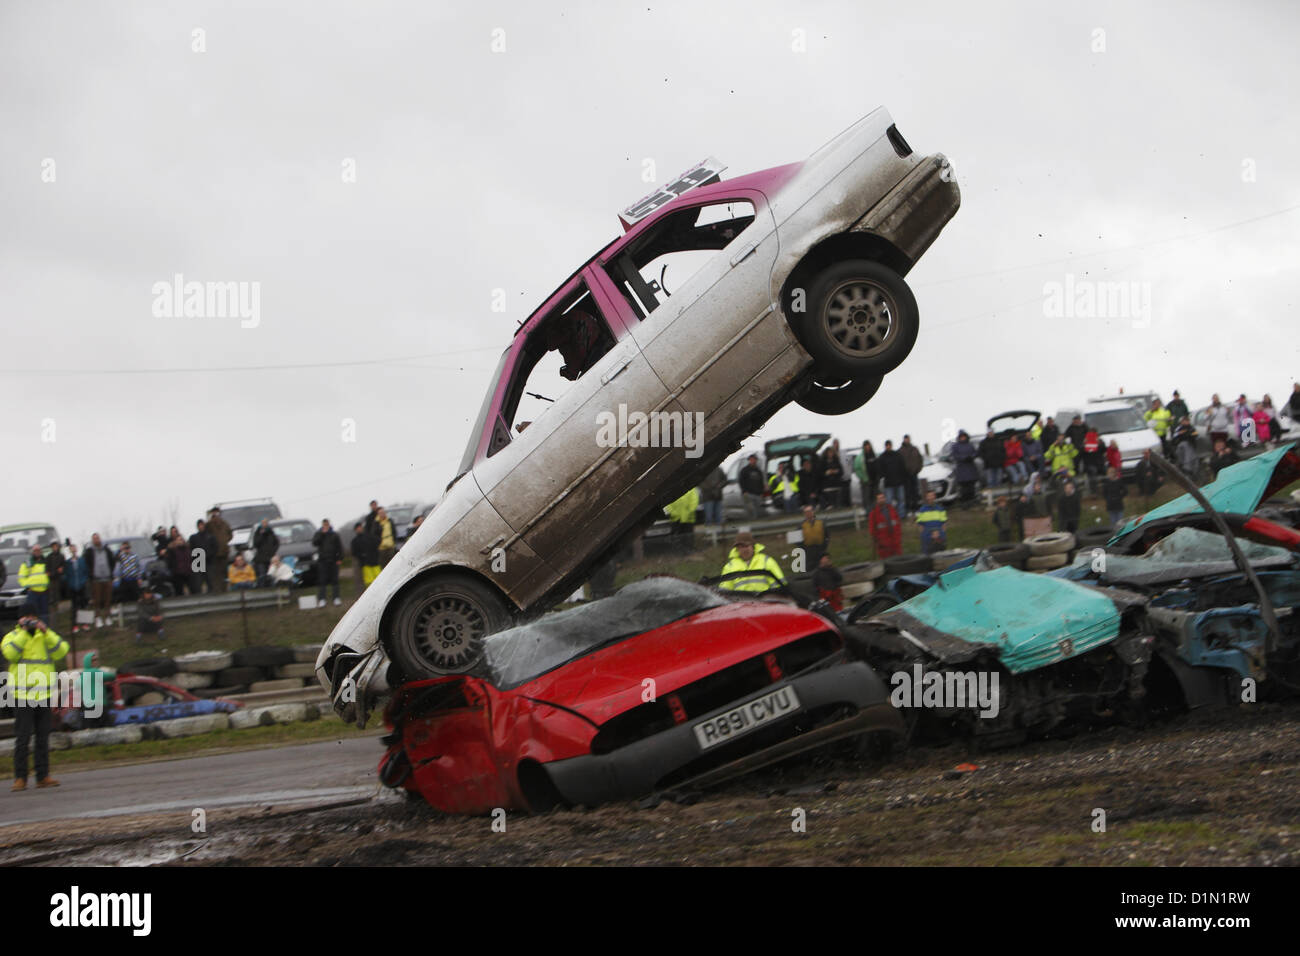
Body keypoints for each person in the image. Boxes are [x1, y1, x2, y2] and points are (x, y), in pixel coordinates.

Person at [3, 615, 69, 790]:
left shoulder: (44, 637)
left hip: (43, 695)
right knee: (22, 738)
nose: (31, 621)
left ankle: (43, 776)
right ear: (20, 620)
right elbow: (10, 653)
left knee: (42, 737)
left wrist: (46, 632)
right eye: (27, 618)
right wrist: (24, 633)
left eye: (33, 617)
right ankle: (20, 778)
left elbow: (62, 650)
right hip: (22, 696)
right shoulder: (12, 636)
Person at [718, 531, 785, 593]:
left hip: (765, 604)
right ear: (736, 549)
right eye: (741, 547)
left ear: (753, 546)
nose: (744, 550)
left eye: (746, 546)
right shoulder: (729, 567)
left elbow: (780, 587)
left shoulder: (767, 562)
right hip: (741, 605)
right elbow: (724, 593)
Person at [83, 533, 116, 628]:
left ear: (100, 539)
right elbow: (87, 564)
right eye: (94, 539)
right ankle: (98, 618)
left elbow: (112, 561)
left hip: (107, 578)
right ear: (92, 541)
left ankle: (108, 617)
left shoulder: (107, 550)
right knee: (97, 600)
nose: (96, 540)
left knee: (108, 598)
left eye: (97, 538)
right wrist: (91, 574)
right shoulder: (89, 551)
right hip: (96, 579)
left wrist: (110, 571)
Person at [77, 651, 114, 729]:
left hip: (87, 706)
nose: (96, 662)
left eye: (96, 659)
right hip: (99, 705)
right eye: (93, 660)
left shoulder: (81, 675)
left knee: (90, 729)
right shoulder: (95, 672)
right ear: (88, 662)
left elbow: (77, 686)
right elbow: (112, 676)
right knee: (106, 729)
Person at [313, 519, 344, 606]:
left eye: (327, 524)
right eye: (324, 525)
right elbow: (315, 543)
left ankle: (336, 598)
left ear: (329, 525)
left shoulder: (334, 534)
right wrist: (322, 534)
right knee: (322, 580)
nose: (326, 526)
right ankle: (322, 599)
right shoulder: (318, 534)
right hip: (322, 561)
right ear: (322, 525)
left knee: (335, 580)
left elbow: (340, 547)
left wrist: (340, 558)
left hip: (334, 560)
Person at [18, 546, 51, 622]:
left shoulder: (45, 561)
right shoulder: (27, 563)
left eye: (39, 550)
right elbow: (21, 576)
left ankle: (44, 629)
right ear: (32, 552)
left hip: (44, 591)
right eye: (35, 550)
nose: (37, 552)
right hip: (33, 592)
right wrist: (27, 586)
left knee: (44, 614)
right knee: (32, 614)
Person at [663, 487, 699, 554]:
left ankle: (689, 550)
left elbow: (694, 501)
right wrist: (674, 512)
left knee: (688, 534)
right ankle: (678, 551)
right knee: (677, 535)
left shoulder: (691, 489)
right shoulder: (671, 490)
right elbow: (668, 503)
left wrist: (689, 511)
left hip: (688, 518)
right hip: (675, 518)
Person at [867, 492, 903, 559]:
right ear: (877, 501)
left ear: (885, 499)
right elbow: (872, 529)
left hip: (895, 542)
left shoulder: (892, 509)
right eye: (879, 498)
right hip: (883, 544)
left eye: (882, 498)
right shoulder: (873, 513)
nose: (881, 500)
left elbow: (898, 523)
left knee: (899, 560)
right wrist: (877, 540)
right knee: (886, 562)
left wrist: (899, 536)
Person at [878, 440, 908, 516]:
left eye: (889, 445)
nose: (888, 446)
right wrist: (884, 476)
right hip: (888, 483)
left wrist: (903, 478)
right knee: (888, 501)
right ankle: (891, 516)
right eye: (887, 445)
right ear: (885, 446)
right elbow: (880, 470)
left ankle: (901, 515)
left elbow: (903, 467)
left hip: (899, 482)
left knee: (901, 499)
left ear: (891, 446)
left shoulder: (897, 455)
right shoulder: (882, 457)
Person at [63, 543, 88, 634]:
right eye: (71, 549)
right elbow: (66, 575)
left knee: (83, 605)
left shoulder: (81, 560)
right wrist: (69, 583)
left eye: (74, 548)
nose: (73, 550)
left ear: (76, 549)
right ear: (70, 551)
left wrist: (83, 581)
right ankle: (75, 625)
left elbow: (85, 572)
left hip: (81, 586)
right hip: (72, 587)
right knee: (74, 607)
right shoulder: (68, 563)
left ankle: (85, 624)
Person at [206, 506, 233, 592]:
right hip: (214, 554)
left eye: (217, 512)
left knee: (224, 572)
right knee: (215, 574)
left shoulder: (225, 524)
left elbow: (230, 534)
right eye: (214, 512)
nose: (216, 514)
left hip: (224, 552)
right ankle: (216, 591)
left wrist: (225, 543)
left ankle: (224, 589)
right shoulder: (209, 525)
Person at [950, 431, 979, 507]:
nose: (963, 438)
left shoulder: (970, 445)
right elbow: (955, 456)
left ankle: (972, 501)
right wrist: (964, 458)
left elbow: (975, 453)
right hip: (962, 470)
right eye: (961, 437)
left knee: (971, 487)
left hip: (971, 469)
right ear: (959, 437)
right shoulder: (955, 446)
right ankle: (964, 503)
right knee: (964, 488)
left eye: (964, 436)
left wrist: (971, 457)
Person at [350, 521, 380, 591]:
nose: (359, 529)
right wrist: (362, 556)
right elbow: (354, 553)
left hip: (375, 562)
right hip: (365, 564)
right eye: (358, 528)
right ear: (355, 530)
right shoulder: (355, 541)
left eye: (360, 527)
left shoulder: (369, 536)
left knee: (379, 578)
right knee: (369, 582)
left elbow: (377, 543)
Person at [189, 519, 215, 595]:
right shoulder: (193, 538)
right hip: (197, 562)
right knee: (197, 584)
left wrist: (209, 556)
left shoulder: (210, 537)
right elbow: (191, 549)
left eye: (202, 525)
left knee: (210, 581)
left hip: (208, 562)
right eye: (199, 525)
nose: (201, 527)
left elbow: (214, 548)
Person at [900, 435, 924, 514]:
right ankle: (909, 510)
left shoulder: (915, 449)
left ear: (910, 440)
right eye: (906, 439)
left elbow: (920, 460)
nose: (907, 440)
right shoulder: (900, 450)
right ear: (904, 440)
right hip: (905, 476)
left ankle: (916, 508)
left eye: (908, 439)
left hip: (914, 474)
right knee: (907, 493)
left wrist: (918, 469)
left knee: (915, 492)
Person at [252, 518, 280, 585]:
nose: (264, 524)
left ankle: (272, 586)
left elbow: (277, 543)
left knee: (271, 574)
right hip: (261, 558)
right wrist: (262, 535)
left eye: (266, 523)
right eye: (263, 523)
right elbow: (255, 544)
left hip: (271, 558)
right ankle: (262, 587)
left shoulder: (271, 532)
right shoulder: (257, 533)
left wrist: (273, 551)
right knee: (262, 574)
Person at [738, 454, 766, 519]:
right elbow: (741, 481)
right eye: (751, 459)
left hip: (758, 494)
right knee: (751, 510)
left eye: (754, 459)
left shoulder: (758, 470)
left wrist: (762, 492)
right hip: (748, 494)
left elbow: (761, 481)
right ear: (749, 460)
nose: (753, 461)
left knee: (759, 510)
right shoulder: (744, 470)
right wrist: (744, 491)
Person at [44, 541, 65, 619]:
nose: (55, 548)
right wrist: (48, 572)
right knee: (51, 596)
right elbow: (47, 567)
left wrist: (62, 569)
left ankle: (57, 611)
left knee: (58, 595)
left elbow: (63, 566)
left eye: (56, 546)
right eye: (53, 547)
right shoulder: (49, 557)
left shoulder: (61, 556)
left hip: (58, 579)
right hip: (51, 579)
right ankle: (52, 611)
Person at [854, 441, 878, 505]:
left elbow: (878, 466)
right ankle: (868, 512)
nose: (867, 447)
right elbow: (856, 469)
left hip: (875, 481)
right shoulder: (860, 457)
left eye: (868, 445)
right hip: (866, 481)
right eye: (866, 445)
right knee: (867, 499)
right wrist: (862, 477)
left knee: (875, 499)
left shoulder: (874, 455)